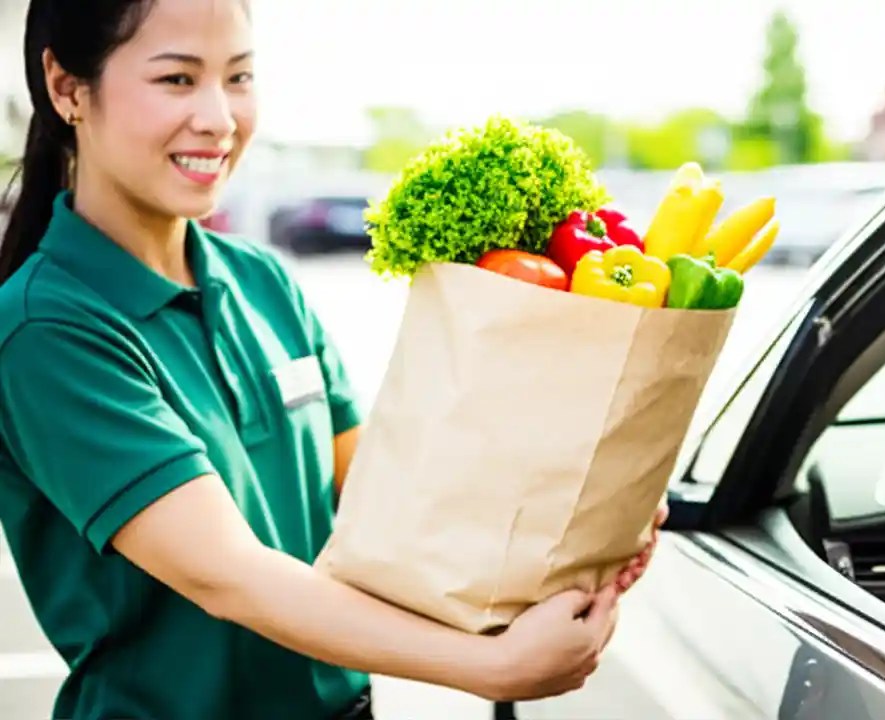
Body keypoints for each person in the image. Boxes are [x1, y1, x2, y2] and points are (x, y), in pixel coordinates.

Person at [0, 1, 663, 719]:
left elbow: (386, 496)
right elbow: (231, 577)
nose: (220, 118)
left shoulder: (262, 281)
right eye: (178, 80)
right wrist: (492, 665)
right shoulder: (45, 326)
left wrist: (578, 518)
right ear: (68, 90)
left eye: (240, 76)